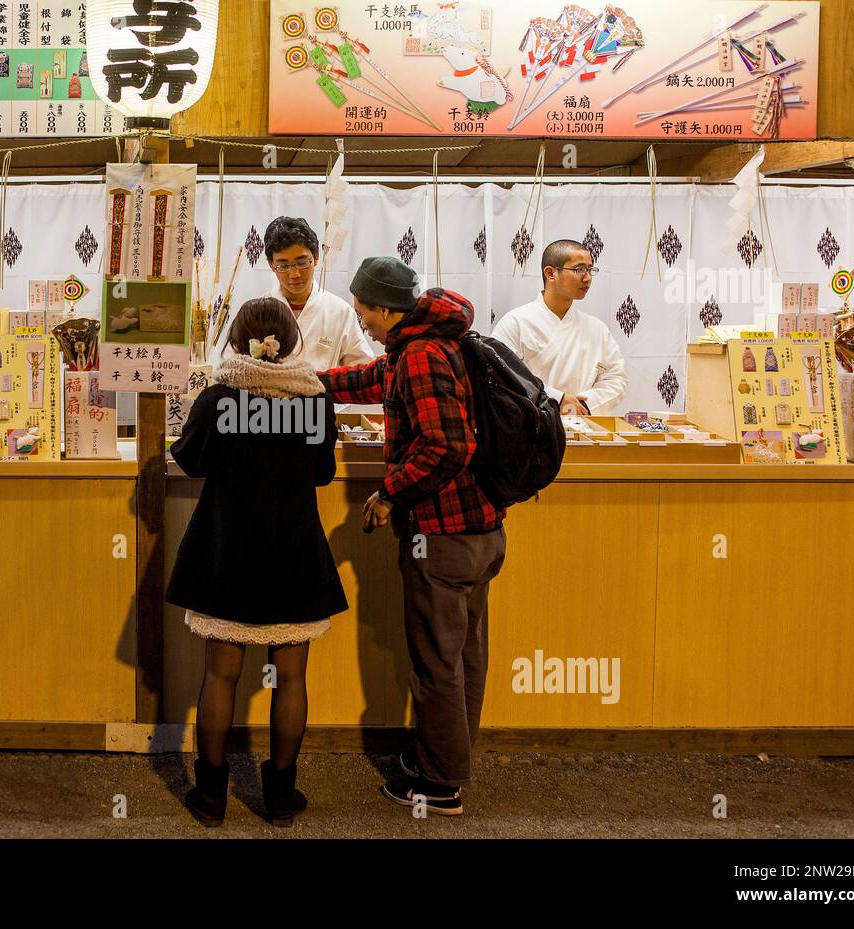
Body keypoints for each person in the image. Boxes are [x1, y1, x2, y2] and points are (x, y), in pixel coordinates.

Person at [318, 257, 506, 817]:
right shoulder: (430, 343)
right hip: (481, 530)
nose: (362, 324)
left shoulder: (421, 354)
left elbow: (448, 448)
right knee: (465, 654)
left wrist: (389, 493)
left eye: (362, 312)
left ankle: (439, 782)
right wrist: (308, 383)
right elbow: (374, 379)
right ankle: (449, 756)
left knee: (436, 661)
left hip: (443, 534)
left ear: (383, 308)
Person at [167, 297, 347, 828]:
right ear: (290, 341)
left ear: (237, 337)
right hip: (294, 550)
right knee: (290, 678)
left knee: (220, 676)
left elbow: (190, 458)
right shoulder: (314, 401)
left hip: (228, 549)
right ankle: (281, 798)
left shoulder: (221, 397)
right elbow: (320, 473)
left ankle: (211, 797)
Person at [210, 216, 375, 370]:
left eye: (302, 263)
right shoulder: (256, 313)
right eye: (283, 265)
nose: (294, 274)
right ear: (271, 265)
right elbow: (232, 364)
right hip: (264, 401)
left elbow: (362, 369)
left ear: (316, 257)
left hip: (320, 399)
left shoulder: (340, 311)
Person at [492, 238, 628, 415]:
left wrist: (584, 405)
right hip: (531, 427)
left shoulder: (596, 328)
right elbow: (502, 375)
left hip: (583, 427)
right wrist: (558, 399)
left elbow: (615, 378)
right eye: (579, 269)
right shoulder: (516, 322)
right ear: (550, 273)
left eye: (590, 269)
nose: (587, 278)